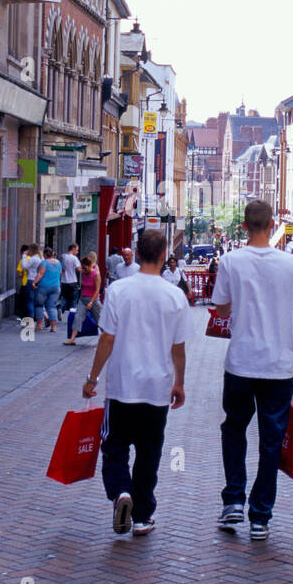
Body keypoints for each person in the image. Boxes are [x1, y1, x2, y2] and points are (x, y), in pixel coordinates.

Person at [211, 200, 293, 542]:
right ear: (273, 224)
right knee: (271, 441)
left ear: (243, 226)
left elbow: (221, 307)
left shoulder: (230, 261)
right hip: (278, 366)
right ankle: (260, 516)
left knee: (234, 430)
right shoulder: (291, 264)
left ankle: (233, 501)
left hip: (240, 362)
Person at [82, 229, 193, 536]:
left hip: (121, 387)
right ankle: (143, 515)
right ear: (162, 257)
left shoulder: (119, 291)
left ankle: (121, 492)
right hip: (156, 390)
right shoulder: (175, 296)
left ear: (137, 253)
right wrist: (179, 383)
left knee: (114, 447)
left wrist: (92, 378)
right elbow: (178, 348)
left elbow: (106, 339)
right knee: (149, 453)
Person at [65, 251, 102, 346]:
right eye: (82, 268)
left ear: (90, 266)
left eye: (85, 268)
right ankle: (72, 339)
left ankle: (107, 338)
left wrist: (91, 302)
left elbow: (97, 290)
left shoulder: (96, 274)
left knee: (100, 319)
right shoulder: (84, 273)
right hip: (83, 298)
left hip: (93, 300)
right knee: (78, 317)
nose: (83, 270)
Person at [34, 248, 62, 332]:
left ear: (45, 254)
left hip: (43, 287)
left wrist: (34, 282)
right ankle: (53, 327)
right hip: (56, 287)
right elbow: (60, 273)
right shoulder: (59, 263)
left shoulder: (44, 263)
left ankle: (39, 325)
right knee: (52, 306)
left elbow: (40, 273)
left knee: (39, 305)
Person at [59, 243, 81, 320]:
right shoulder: (74, 258)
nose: (77, 252)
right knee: (74, 299)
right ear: (73, 248)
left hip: (64, 281)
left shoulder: (63, 256)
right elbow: (79, 269)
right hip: (72, 281)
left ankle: (60, 309)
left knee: (64, 298)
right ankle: (72, 315)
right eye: (77, 250)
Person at [21, 245, 43, 321]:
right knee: (38, 301)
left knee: (30, 300)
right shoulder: (41, 258)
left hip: (31, 279)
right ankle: (41, 317)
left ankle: (31, 318)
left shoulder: (33, 259)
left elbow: (24, 266)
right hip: (39, 280)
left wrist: (24, 256)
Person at [15, 244, 31, 319]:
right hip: (33, 283)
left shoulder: (22, 261)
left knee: (24, 301)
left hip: (25, 283)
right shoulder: (32, 259)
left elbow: (19, 274)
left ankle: (23, 317)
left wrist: (24, 274)